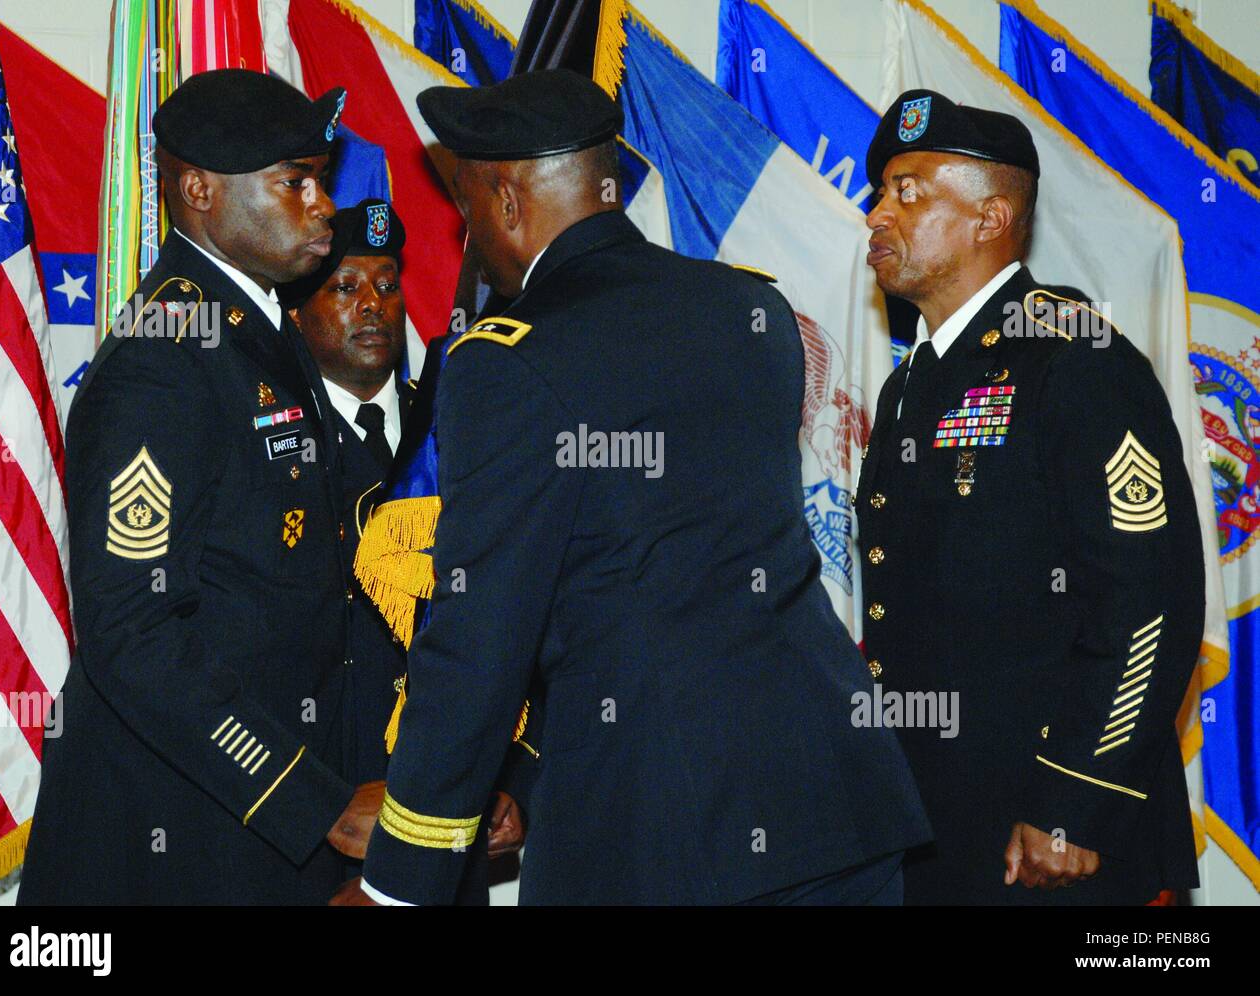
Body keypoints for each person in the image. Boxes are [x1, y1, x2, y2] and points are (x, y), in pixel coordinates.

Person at [336, 68, 930, 906]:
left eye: (466, 205)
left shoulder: (507, 364)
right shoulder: (750, 312)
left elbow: (479, 638)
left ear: (506, 200)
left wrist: (399, 882)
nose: (468, 233)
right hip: (836, 798)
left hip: (662, 837)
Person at [20, 69, 373, 904]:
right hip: (179, 829)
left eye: (319, 180)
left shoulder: (256, 329)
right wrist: (306, 797)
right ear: (201, 192)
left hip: (263, 815)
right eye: (295, 182)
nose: (323, 205)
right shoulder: (164, 357)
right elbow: (132, 626)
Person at [856, 89, 1205, 904]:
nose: (877, 215)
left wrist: (1076, 801)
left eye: (908, 192)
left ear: (991, 218)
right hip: (939, 827)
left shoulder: (1074, 360)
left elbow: (1150, 601)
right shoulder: (911, 385)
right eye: (878, 194)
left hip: (1057, 847)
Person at [279, 200, 530, 903]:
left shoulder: (460, 430)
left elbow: (517, 612)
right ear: (298, 313)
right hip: (325, 810)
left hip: (451, 800)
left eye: (387, 286)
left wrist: (512, 778)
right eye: (345, 287)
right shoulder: (274, 444)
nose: (373, 306)